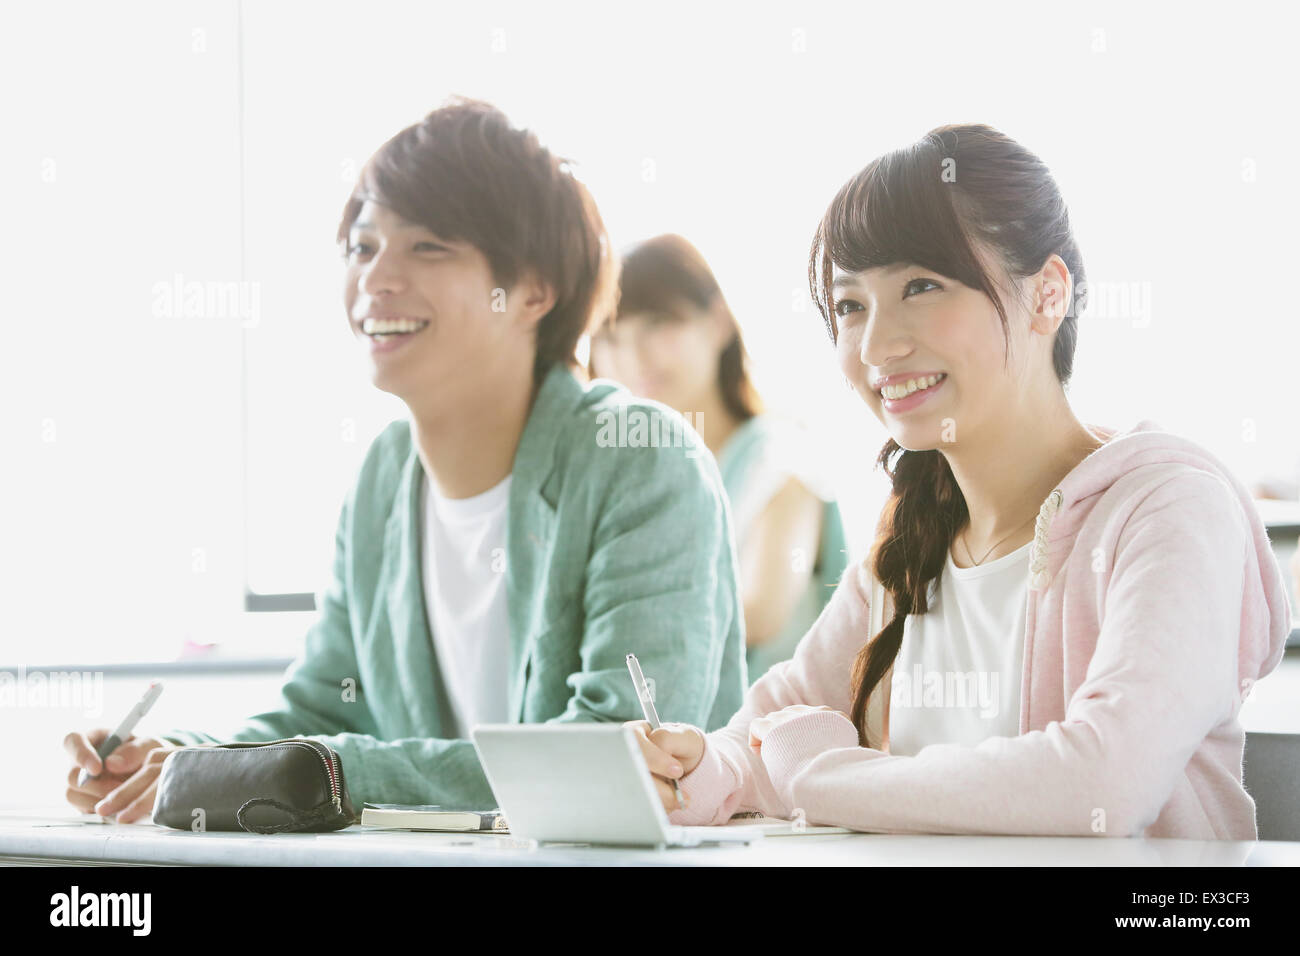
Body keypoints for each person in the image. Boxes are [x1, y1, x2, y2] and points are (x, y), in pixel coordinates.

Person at [63, 97, 746, 821]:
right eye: (361, 247)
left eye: (427, 247)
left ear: (533, 291)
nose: (376, 279)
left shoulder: (640, 461)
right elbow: (324, 711)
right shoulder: (383, 479)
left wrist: (330, 771)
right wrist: (179, 762)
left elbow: (622, 758)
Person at [628, 123, 1293, 839]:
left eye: (921, 286)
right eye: (851, 305)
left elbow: (1104, 782)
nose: (878, 345)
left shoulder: (1170, 509)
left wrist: (823, 778)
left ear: (1047, 295)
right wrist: (701, 769)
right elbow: (765, 737)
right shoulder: (912, 536)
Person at [588, 234, 847, 682]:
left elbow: (762, 610)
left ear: (719, 323)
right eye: (610, 337)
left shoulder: (780, 455)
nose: (634, 356)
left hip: (777, 741)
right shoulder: (635, 481)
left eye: (657, 325)